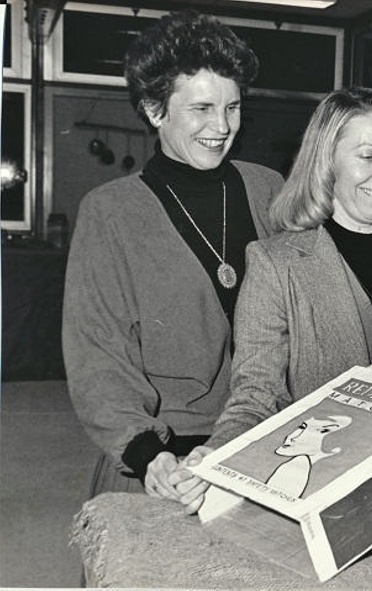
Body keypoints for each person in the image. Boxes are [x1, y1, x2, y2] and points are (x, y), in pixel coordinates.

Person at [152, 87, 372, 512]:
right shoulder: (273, 264)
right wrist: (216, 456)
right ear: (327, 161)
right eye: (368, 156)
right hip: (317, 493)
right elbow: (255, 393)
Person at [62, 10, 284, 500]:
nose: (222, 126)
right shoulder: (110, 212)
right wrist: (150, 456)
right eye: (201, 108)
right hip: (164, 459)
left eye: (233, 107)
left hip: (261, 444)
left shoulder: (269, 189)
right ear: (155, 109)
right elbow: (96, 353)